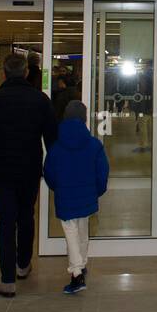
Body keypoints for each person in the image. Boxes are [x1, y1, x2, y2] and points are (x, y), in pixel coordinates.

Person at [0, 52, 58, 298]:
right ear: (25, 73)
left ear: (3, 73)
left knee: (5, 223)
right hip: (29, 168)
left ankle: (7, 279)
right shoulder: (40, 100)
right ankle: (23, 264)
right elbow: (51, 138)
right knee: (26, 217)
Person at [43, 101, 108, 295]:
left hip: (65, 195)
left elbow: (49, 172)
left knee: (70, 231)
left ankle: (76, 273)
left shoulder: (56, 146)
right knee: (82, 229)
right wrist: (97, 191)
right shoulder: (94, 144)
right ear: (84, 119)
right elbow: (102, 172)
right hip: (87, 195)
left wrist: (58, 188)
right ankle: (82, 263)